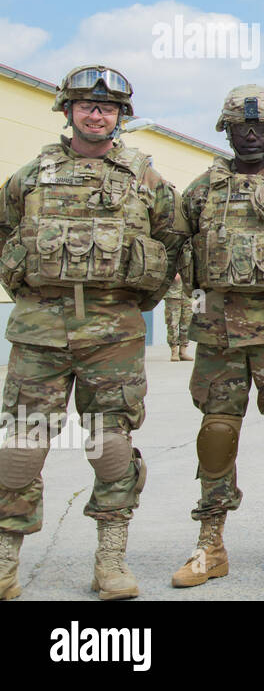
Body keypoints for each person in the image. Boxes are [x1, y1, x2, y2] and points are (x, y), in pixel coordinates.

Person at [0, 66, 182, 600]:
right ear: (67, 111)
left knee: (111, 445)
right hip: (39, 332)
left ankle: (110, 561)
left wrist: (134, 301)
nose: (96, 113)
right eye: (85, 105)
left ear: (121, 116)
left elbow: (173, 245)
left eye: (107, 107)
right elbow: (7, 232)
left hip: (113, 334)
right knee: (21, 448)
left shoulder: (145, 178)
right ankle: (6, 558)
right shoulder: (31, 176)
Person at [170, 85, 264, 589]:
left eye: (260, 126)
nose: (251, 134)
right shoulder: (200, 191)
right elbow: (173, 249)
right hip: (219, 335)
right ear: (227, 130)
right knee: (216, 434)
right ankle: (210, 543)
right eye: (241, 126)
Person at [164, 243, 194, 361]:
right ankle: (174, 351)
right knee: (172, 322)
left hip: (188, 292)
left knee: (187, 322)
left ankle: (183, 351)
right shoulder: (172, 246)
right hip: (173, 293)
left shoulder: (192, 248)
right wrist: (172, 272)